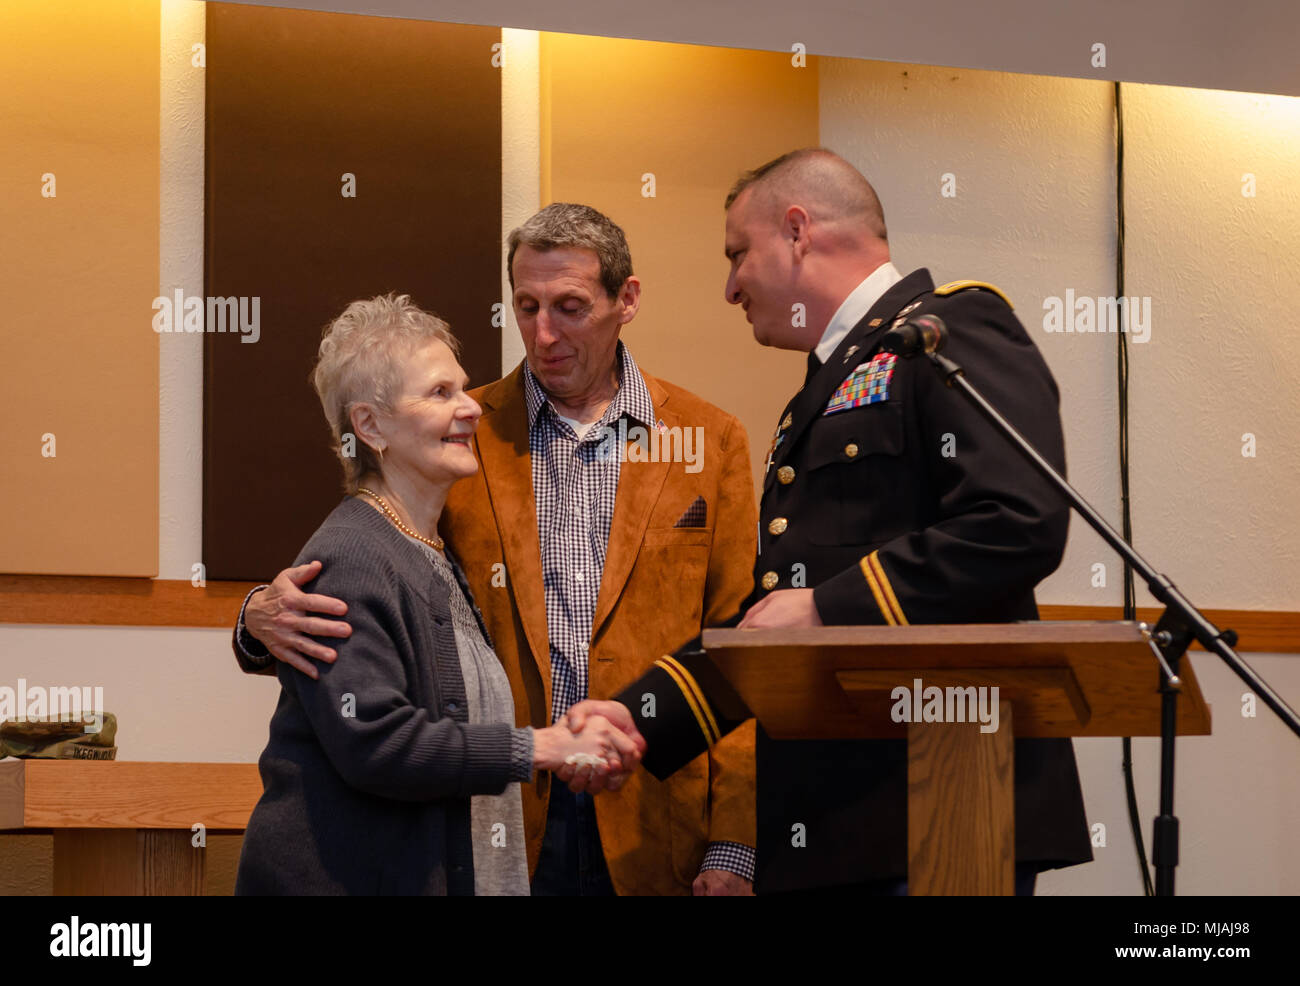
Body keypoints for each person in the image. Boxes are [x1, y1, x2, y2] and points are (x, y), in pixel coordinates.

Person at [568, 148, 1094, 895]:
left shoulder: (946, 331)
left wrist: (825, 608)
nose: (729, 287)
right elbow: (778, 615)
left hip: (945, 795)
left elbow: (1018, 520)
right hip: (842, 818)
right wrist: (637, 718)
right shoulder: (834, 379)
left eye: (736, 254)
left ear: (796, 231)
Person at [234, 206, 759, 896]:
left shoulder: (707, 439)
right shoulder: (458, 434)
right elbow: (359, 556)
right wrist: (252, 618)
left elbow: (741, 651)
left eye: (570, 307)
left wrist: (737, 844)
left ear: (626, 300)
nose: (544, 335)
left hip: (655, 818)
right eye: (527, 306)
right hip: (499, 815)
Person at [234, 294, 640, 896]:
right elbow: (378, 744)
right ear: (370, 426)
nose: (473, 408)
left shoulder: (429, 546)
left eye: (464, 388)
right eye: (440, 393)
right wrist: (542, 746)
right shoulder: (354, 557)